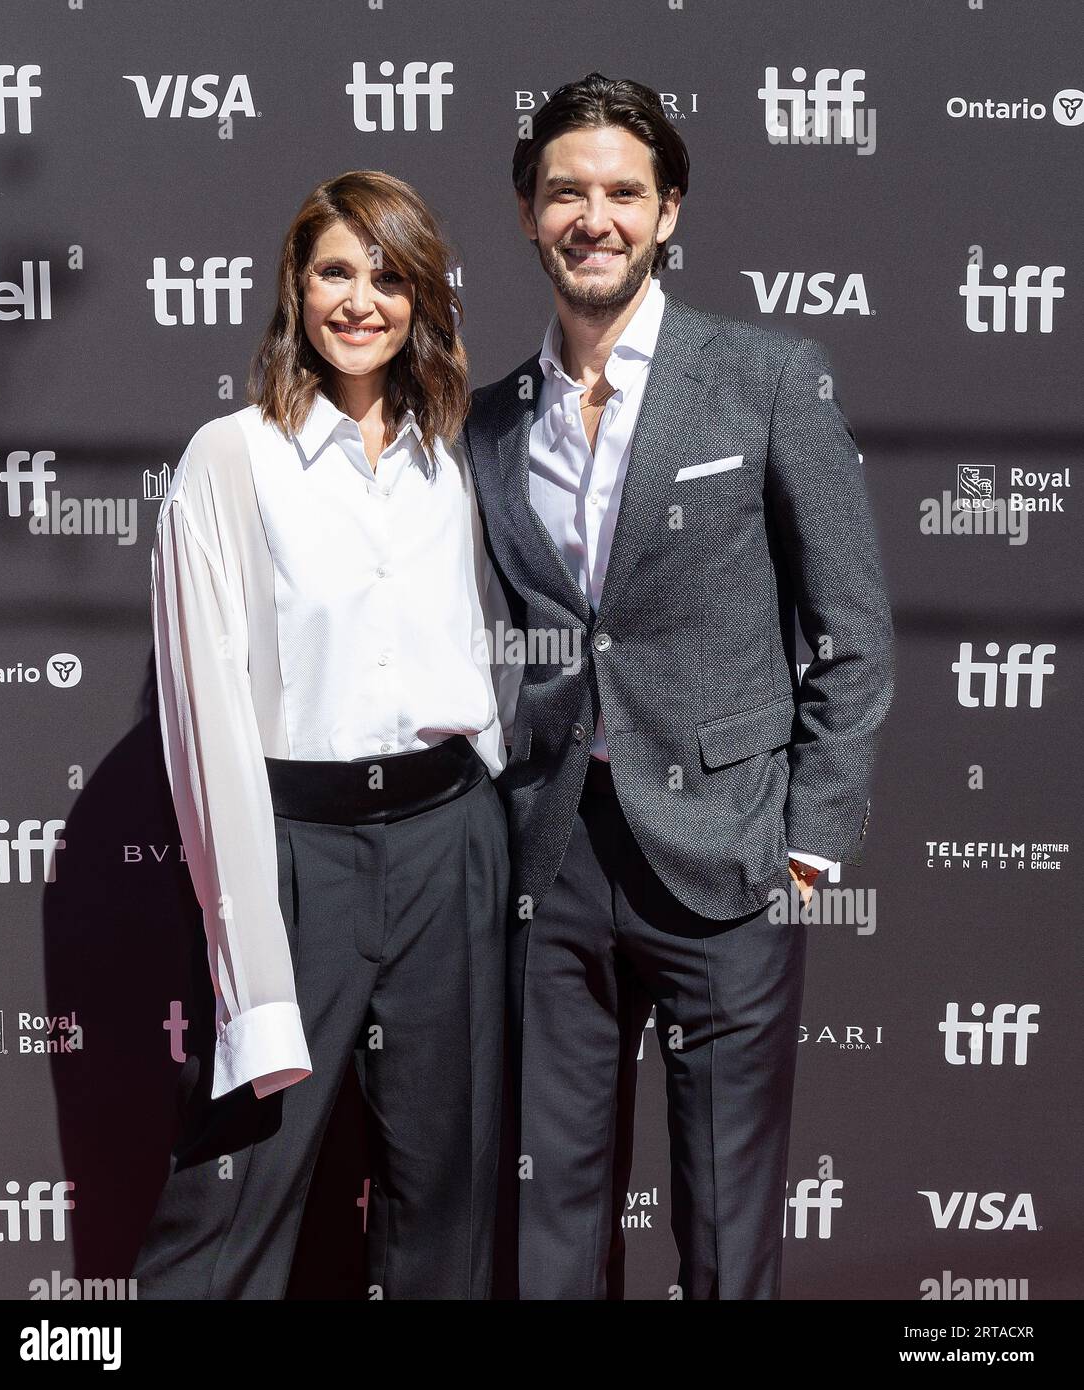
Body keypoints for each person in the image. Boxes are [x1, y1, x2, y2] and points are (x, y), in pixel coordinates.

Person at [462, 73, 895, 1299]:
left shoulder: (764, 376)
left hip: (726, 859)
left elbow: (852, 627)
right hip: (553, 856)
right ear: (527, 212)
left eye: (622, 193)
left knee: (724, 1232)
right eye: (566, 193)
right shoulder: (490, 425)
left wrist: (807, 842)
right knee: (547, 1233)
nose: (592, 218)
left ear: (666, 212)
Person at [131, 170, 518, 1300]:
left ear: (422, 296)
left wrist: (484, 800)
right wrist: (250, 944)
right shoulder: (231, 457)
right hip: (299, 851)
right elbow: (206, 716)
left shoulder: (455, 451)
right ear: (295, 289)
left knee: (448, 1200)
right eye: (336, 272)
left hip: (451, 840)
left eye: (388, 276)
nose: (361, 300)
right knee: (232, 1200)